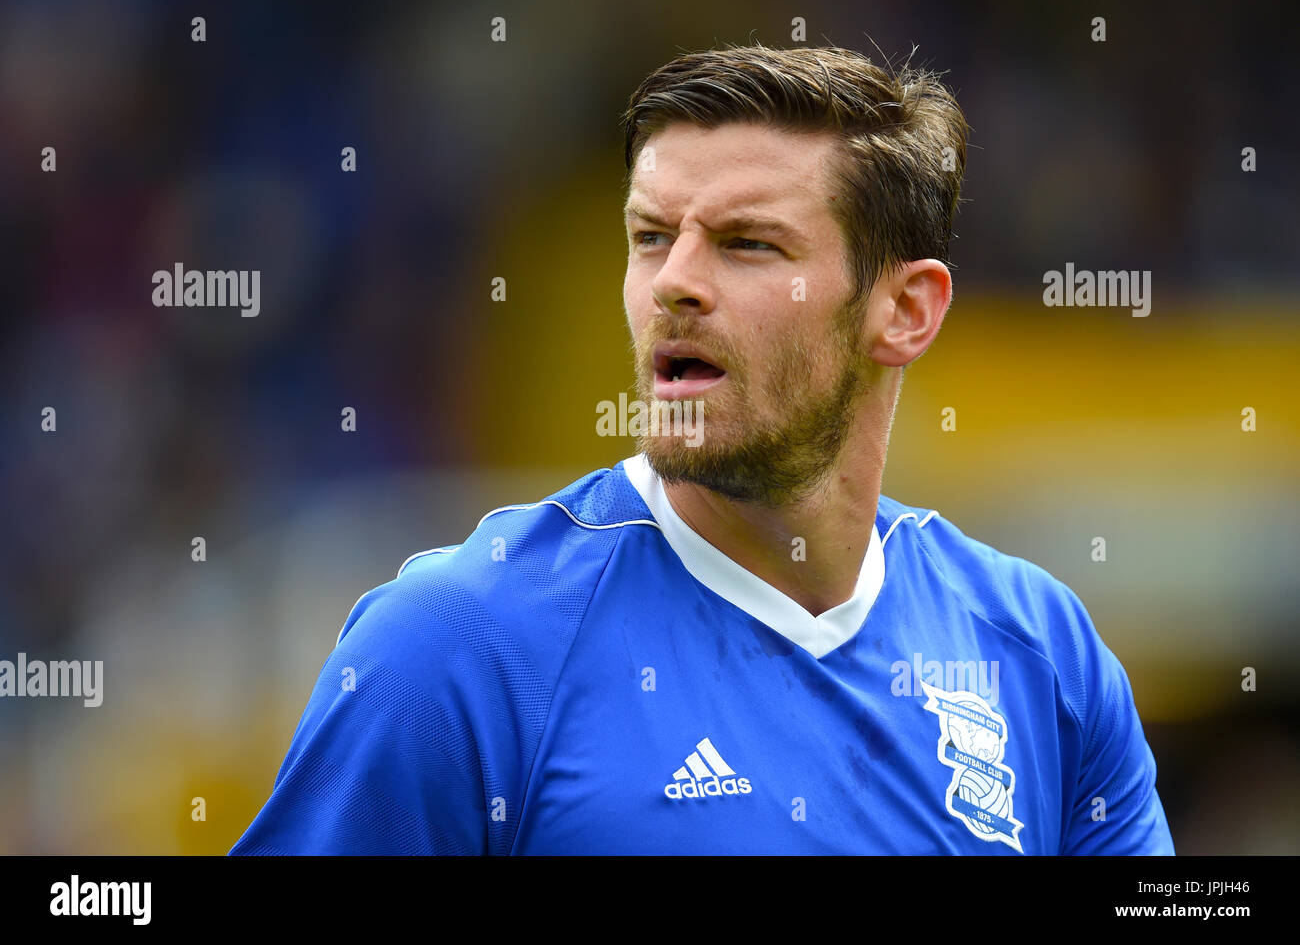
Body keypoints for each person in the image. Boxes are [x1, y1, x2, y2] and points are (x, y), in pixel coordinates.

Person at [231, 44, 1174, 854]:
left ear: (905, 310)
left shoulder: (1043, 660)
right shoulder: (457, 649)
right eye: (650, 238)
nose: (674, 283)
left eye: (748, 245)